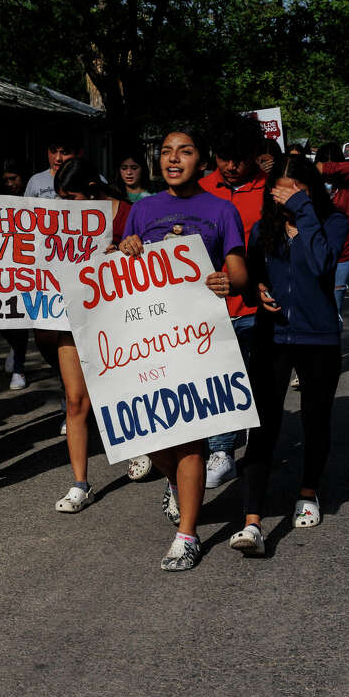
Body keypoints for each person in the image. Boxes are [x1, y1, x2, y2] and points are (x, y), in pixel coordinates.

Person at [117, 127, 248, 571]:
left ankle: (187, 536)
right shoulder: (143, 209)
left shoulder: (221, 209)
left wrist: (228, 280)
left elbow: (239, 271)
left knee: (190, 437)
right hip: (145, 340)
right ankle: (177, 485)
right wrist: (126, 247)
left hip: (195, 339)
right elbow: (120, 265)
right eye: (167, 152)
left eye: (185, 151)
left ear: (201, 161)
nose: (173, 159)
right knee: (148, 435)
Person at [228, 155, 348, 556]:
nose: (286, 197)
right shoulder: (263, 228)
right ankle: (252, 521)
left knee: (315, 420)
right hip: (273, 335)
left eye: (295, 190)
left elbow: (321, 264)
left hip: (319, 338)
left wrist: (303, 210)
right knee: (263, 423)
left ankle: (308, 492)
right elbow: (250, 280)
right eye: (280, 191)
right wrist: (256, 291)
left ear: (310, 190)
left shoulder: (333, 222)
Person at [46, 158, 134, 512]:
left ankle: (143, 449)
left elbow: (148, 258)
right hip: (73, 317)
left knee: (127, 391)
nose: (65, 206)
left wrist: (123, 254)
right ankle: (80, 484)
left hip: (118, 319)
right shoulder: (60, 219)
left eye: (71, 198)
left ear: (93, 190)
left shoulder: (128, 213)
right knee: (75, 400)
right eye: (62, 199)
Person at [198, 114, 267, 488]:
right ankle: (222, 451)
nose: (231, 166)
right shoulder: (200, 189)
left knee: (254, 383)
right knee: (218, 380)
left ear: (255, 154)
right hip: (207, 309)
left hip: (257, 307)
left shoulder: (272, 190)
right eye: (224, 157)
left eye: (239, 158)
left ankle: (249, 447)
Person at [315, 142, 349, 320]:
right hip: (314, 256)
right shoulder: (312, 186)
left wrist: (326, 168)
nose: (329, 174)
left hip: (342, 258)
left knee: (333, 313)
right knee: (316, 312)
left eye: (334, 166)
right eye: (325, 165)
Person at [0, 157, 30, 389]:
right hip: (2, 264)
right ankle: (15, 349)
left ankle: (19, 369)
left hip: (26, 264)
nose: (9, 184)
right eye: (5, 180)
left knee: (20, 319)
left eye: (13, 178)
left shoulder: (32, 197)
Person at [24, 131, 80, 199]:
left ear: (78, 154)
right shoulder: (35, 181)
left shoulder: (84, 180)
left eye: (65, 153)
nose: (58, 158)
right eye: (53, 151)